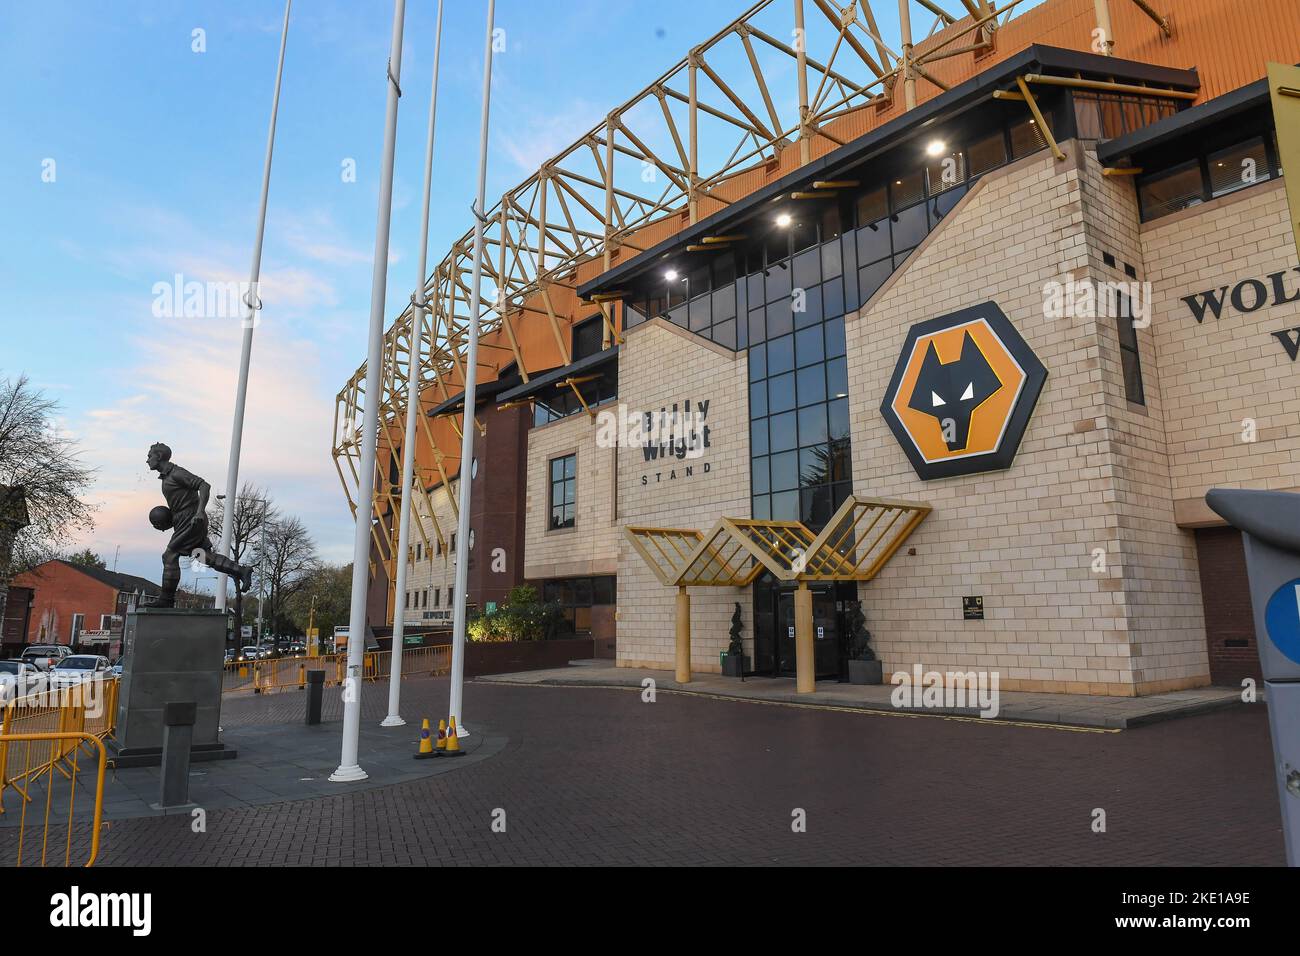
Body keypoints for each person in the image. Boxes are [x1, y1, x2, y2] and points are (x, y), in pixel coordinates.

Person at [145, 442, 253, 608]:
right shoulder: (167, 476)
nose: (147, 460)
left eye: (149, 456)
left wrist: (200, 512)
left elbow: (204, 485)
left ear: (158, 457)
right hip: (183, 520)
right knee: (201, 555)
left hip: (192, 520)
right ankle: (241, 571)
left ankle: (166, 600)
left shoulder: (176, 473)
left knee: (169, 555)